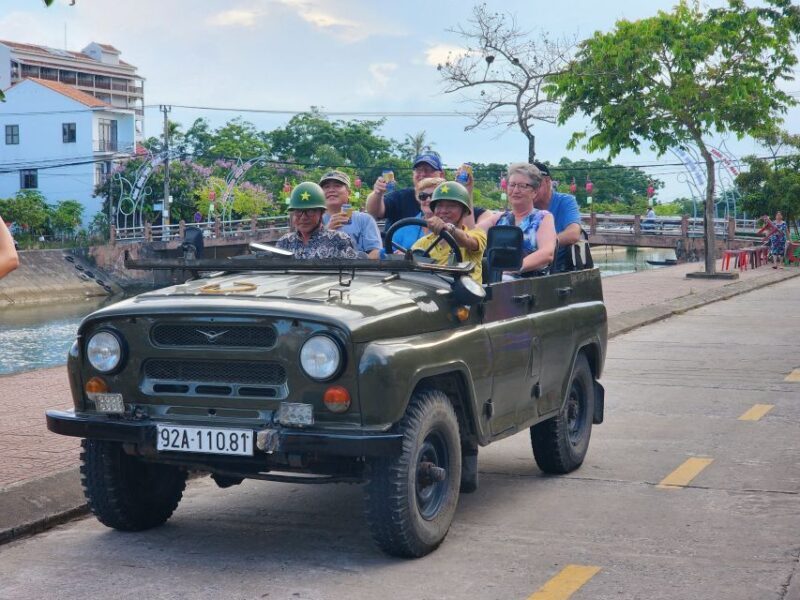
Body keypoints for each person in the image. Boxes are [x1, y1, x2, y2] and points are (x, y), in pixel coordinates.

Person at [479, 162, 557, 276]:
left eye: (522, 186)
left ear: (534, 191)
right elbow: (471, 235)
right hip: (495, 282)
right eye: (512, 185)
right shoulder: (498, 218)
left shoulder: (543, 218)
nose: (515, 190)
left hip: (527, 285)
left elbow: (547, 253)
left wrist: (509, 270)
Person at [412, 181, 486, 283]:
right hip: (431, 293)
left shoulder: (477, 234)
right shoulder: (423, 243)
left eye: (451, 206)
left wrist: (449, 229)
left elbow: (470, 241)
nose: (444, 210)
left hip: (465, 295)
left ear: (464, 212)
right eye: (439, 206)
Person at [366, 150, 446, 231]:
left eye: (428, 170)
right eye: (418, 170)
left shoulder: (449, 199)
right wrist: (377, 193)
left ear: (441, 175)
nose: (423, 174)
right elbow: (374, 211)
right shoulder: (401, 197)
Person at [276, 182, 359, 259]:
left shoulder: (339, 240)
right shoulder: (285, 242)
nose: (303, 217)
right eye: (298, 211)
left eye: (310, 211)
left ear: (321, 213)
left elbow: (353, 272)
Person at [319, 170, 382, 259]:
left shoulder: (364, 219)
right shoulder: (313, 219)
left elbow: (376, 253)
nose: (331, 190)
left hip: (358, 271)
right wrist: (327, 232)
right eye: (326, 187)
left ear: (349, 192)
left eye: (337, 186)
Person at [531, 160, 581, 270]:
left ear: (547, 181)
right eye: (527, 185)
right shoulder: (525, 204)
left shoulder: (566, 201)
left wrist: (545, 244)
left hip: (558, 268)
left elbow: (574, 233)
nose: (531, 189)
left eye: (535, 184)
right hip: (528, 265)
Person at [388, 176, 444, 252]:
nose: (428, 200)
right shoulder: (404, 227)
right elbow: (388, 254)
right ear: (418, 199)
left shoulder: (451, 227)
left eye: (433, 196)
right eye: (423, 196)